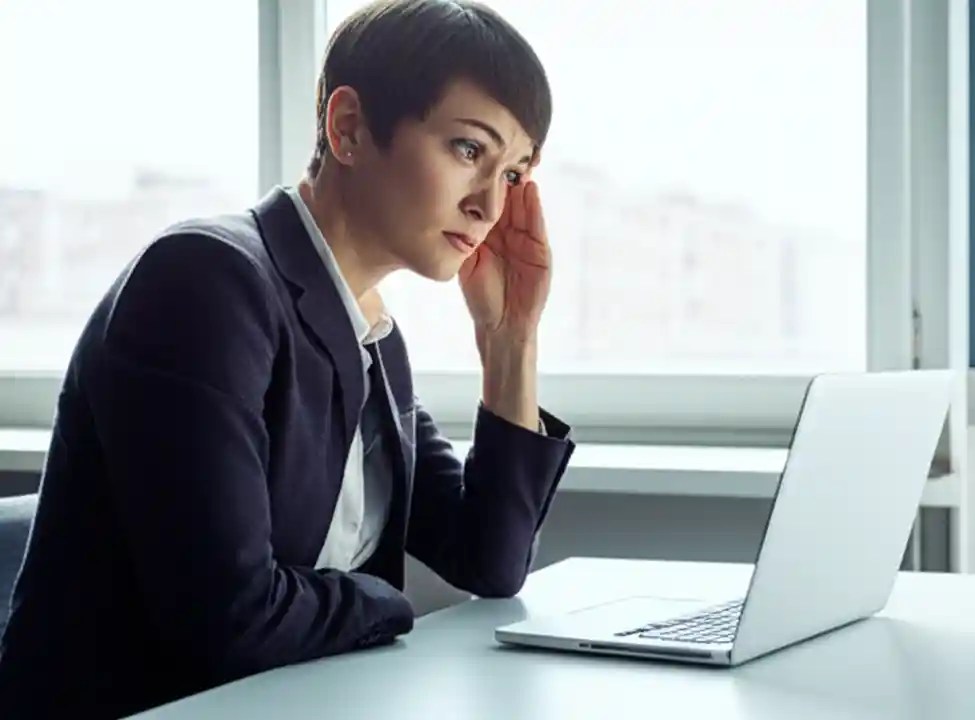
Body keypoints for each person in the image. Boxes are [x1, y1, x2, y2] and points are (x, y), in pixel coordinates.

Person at [0, 1, 575, 716]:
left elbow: (490, 560)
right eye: (468, 150)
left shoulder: (372, 336)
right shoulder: (206, 282)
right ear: (349, 128)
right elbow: (230, 619)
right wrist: (386, 602)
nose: (489, 205)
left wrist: (511, 338)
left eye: (513, 175)